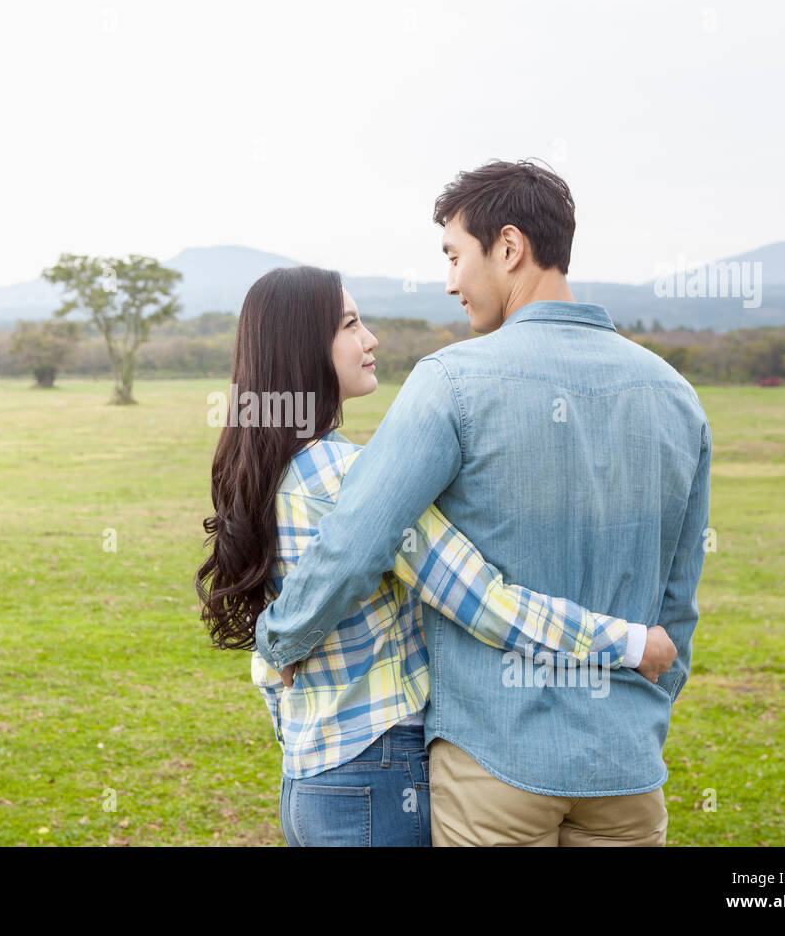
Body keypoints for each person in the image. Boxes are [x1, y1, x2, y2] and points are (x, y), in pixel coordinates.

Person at [253, 159, 711, 846]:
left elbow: (354, 541)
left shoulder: (451, 381)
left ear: (508, 247)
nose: (450, 282)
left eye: (454, 255)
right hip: (627, 767)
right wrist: (634, 719)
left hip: (492, 762)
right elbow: (677, 606)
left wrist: (280, 641)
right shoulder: (676, 394)